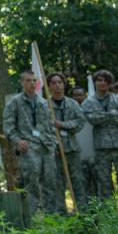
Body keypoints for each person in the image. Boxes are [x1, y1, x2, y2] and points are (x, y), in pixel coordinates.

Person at [3, 71, 57, 214]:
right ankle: (30, 217)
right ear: (22, 82)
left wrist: (53, 143)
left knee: (50, 182)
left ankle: (51, 216)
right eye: (28, 80)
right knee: (31, 182)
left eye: (34, 80)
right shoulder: (15, 102)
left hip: (46, 147)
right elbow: (8, 126)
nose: (32, 83)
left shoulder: (44, 103)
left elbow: (50, 125)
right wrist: (17, 141)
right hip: (29, 147)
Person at [83, 69, 118, 201]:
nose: (103, 83)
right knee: (104, 182)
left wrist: (102, 117)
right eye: (99, 80)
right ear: (95, 82)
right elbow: (92, 120)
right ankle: (108, 213)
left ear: (110, 83)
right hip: (102, 147)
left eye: (106, 80)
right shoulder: (88, 103)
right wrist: (111, 114)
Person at [46, 73, 86, 210]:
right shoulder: (46, 105)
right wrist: (53, 143)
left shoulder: (72, 103)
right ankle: (61, 214)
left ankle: (82, 213)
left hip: (72, 149)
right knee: (58, 183)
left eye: (60, 82)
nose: (57, 85)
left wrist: (63, 124)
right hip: (55, 151)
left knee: (78, 181)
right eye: (53, 83)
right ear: (49, 86)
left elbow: (80, 122)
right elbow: (42, 127)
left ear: (64, 84)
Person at [71, 86, 99, 200]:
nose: (78, 97)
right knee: (83, 187)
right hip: (79, 156)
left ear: (85, 96)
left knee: (99, 185)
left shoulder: (93, 109)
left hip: (95, 155)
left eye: (80, 95)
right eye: (76, 95)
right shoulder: (70, 111)